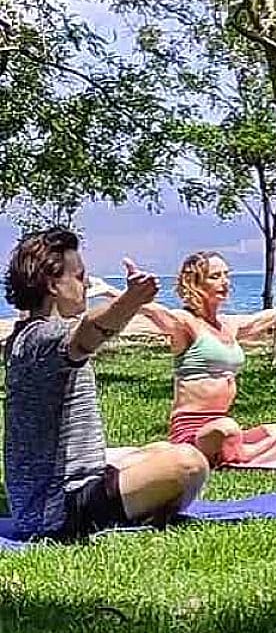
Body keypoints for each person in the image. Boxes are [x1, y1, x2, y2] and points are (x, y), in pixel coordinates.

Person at [3, 229, 209, 541]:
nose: (86, 284)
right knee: (187, 464)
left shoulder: (26, 336)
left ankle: (140, 510)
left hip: (77, 487)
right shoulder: (41, 339)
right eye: (79, 275)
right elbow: (90, 331)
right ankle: (138, 518)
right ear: (52, 284)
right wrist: (131, 300)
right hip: (58, 511)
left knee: (164, 450)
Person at [94, 251, 276, 467]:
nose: (225, 282)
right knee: (228, 428)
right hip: (193, 433)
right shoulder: (184, 323)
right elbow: (153, 310)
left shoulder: (229, 325)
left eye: (226, 275)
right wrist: (112, 291)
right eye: (215, 276)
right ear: (196, 283)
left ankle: (241, 455)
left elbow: (273, 315)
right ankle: (243, 454)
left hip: (221, 426)